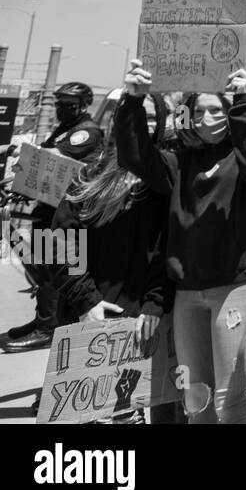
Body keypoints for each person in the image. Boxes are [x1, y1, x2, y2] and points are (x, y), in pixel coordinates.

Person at [117, 61, 246, 424]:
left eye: (217, 109)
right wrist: (132, 101)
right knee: (196, 397)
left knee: (230, 400)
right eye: (200, 110)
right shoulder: (179, 164)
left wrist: (243, 100)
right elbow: (134, 155)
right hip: (188, 293)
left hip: (235, 290)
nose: (208, 117)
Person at [51, 92, 180, 423]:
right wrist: (86, 300)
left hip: (138, 324)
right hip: (87, 317)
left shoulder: (168, 179)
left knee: (126, 417)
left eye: (152, 117)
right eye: (135, 114)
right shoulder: (89, 175)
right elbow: (58, 243)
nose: (143, 123)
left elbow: (172, 251)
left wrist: (153, 307)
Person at [4, 81, 104, 353]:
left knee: (54, 269)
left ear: (83, 105)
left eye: (68, 105)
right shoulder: (66, 129)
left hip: (70, 214)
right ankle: (43, 318)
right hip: (49, 207)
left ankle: (48, 327)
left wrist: (15, 151)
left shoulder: (87, 132)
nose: (61, 109)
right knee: (43, 265)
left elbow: (52, 157)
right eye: (59, 104)